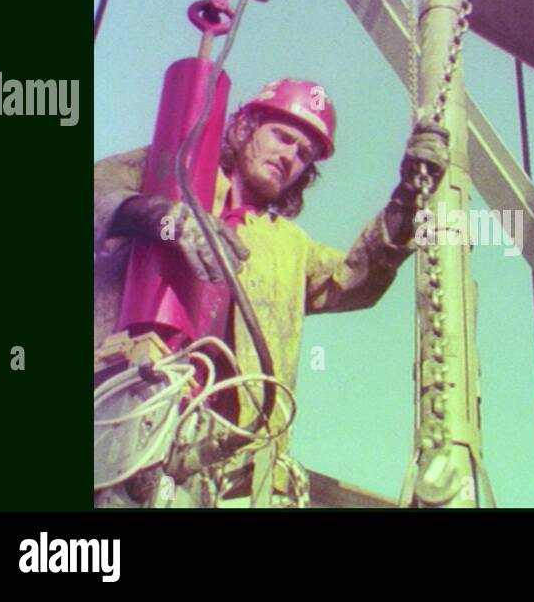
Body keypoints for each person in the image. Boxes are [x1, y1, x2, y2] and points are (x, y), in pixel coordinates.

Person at [94, 78, 449, 506]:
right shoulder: (168, 168)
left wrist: (407, 200)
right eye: (282, 137)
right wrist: (162, 217)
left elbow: (356, 278)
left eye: (304, 154)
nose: (289, 157)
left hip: (219, 460)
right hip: (115, 403)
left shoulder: (290, 247)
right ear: (245, 127)